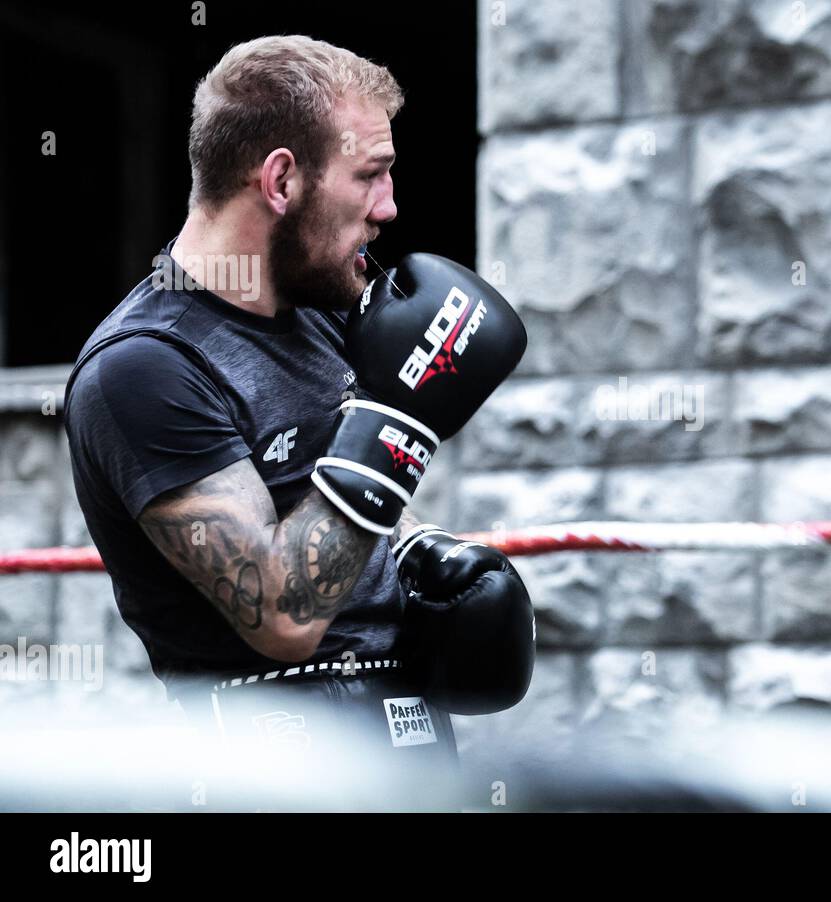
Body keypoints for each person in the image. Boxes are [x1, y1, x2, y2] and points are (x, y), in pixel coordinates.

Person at [63, 36, 534, 809]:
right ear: (282, 180)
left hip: (407, 753)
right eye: (370, 176)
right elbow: (278, 611)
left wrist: (424, 554)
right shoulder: (143, 368)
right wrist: (401, 422)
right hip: (272, 778)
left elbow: (329, 499)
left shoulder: (321, 315)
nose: (389, 207)